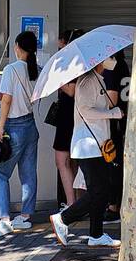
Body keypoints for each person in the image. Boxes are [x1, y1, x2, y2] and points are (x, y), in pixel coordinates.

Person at [50, 59, 123, 247]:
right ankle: (63, 219)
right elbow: (85, 110)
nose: (113, 60)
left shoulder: (99, 78)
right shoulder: (87, 80)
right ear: (99, 60)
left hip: (97, 144)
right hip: (87, 145)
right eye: (110, 57)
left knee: (101, 191)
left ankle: (96, 235)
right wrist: (113, 113)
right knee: (98, 191)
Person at [0, 30, 41, 237]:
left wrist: (1, 127)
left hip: (14, 126)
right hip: (31, 125)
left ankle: (4, 219)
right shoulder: (37, 70)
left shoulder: (11, 69)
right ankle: (26, 216)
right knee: (28, 173)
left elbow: (7, 100)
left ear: (17, 47)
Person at [51, 29, 84, 208]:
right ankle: (78, 201)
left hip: (68, 116)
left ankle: (72, 204)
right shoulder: (86, 61)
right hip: (77, 115)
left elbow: (71, 90)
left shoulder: (72, 63)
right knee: (74, 160)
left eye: (61, 43)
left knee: (62, 160)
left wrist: (56, 78)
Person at [101, 50, 130, 225]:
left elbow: (111, 99)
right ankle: (116, 204)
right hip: (123, 121)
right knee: (117, 163)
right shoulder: (123, 65)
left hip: (113, 123)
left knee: (112, 163)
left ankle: (113, 207)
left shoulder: (111, 68)